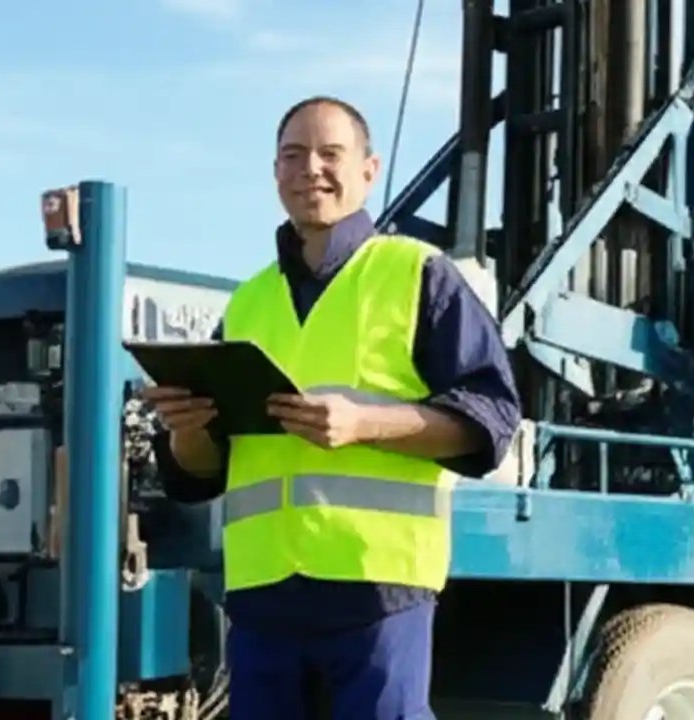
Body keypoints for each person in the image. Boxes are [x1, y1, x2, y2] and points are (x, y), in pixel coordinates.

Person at [143, 96, 522, 719]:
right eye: (292, 156)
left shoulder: (419, 274)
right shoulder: (247, 303)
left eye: (329, 154)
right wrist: (188, 431)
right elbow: (202, 470)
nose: (309, 169)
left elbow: (491, 419)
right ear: (274, 175)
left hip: (375, 590)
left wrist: (364, 424)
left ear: (369, 171)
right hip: (263, 596)